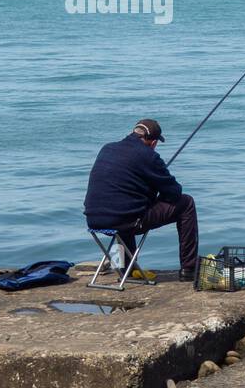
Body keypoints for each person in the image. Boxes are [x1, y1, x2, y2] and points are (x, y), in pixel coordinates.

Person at [84, 118, 198, 280]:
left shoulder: (107, 148)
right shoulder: (149, 156)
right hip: (125, 221)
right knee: (186, 203)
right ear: (152, 143)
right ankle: (189, 269)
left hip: (94, 220)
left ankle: (124, 269)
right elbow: (174, 193)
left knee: (122, 210)